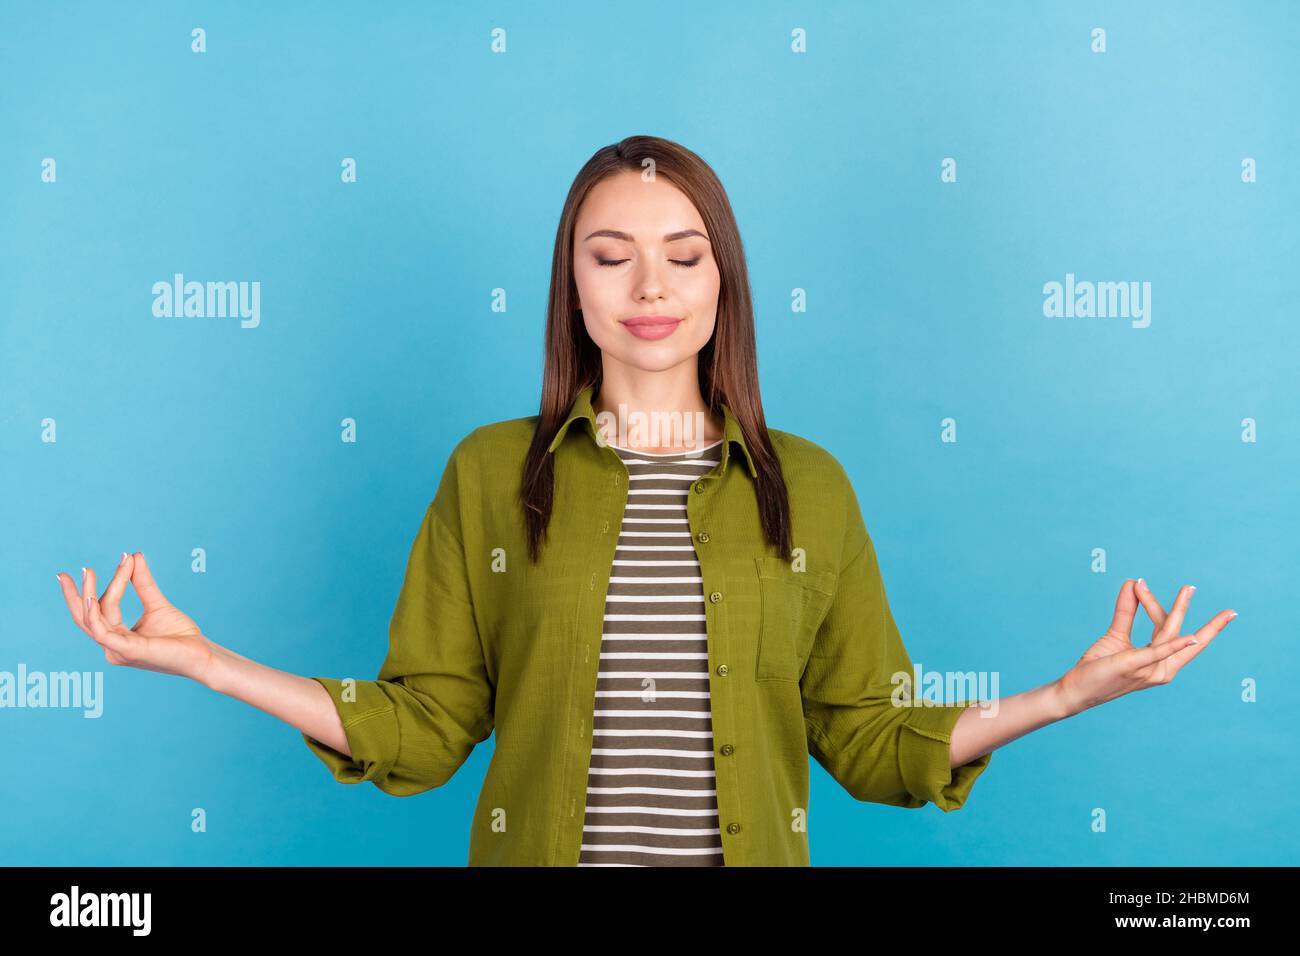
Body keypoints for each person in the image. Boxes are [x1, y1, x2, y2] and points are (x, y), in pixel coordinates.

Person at [57, 135, 1237, 867]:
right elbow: (423, 724)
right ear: (571, 285)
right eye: (609, 253)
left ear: (724, 278)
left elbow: (872, 740)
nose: (649, 284)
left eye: (683, 251)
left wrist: (1062, 695)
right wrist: (211, 662)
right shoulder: (488, 473)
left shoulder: (810, 486)